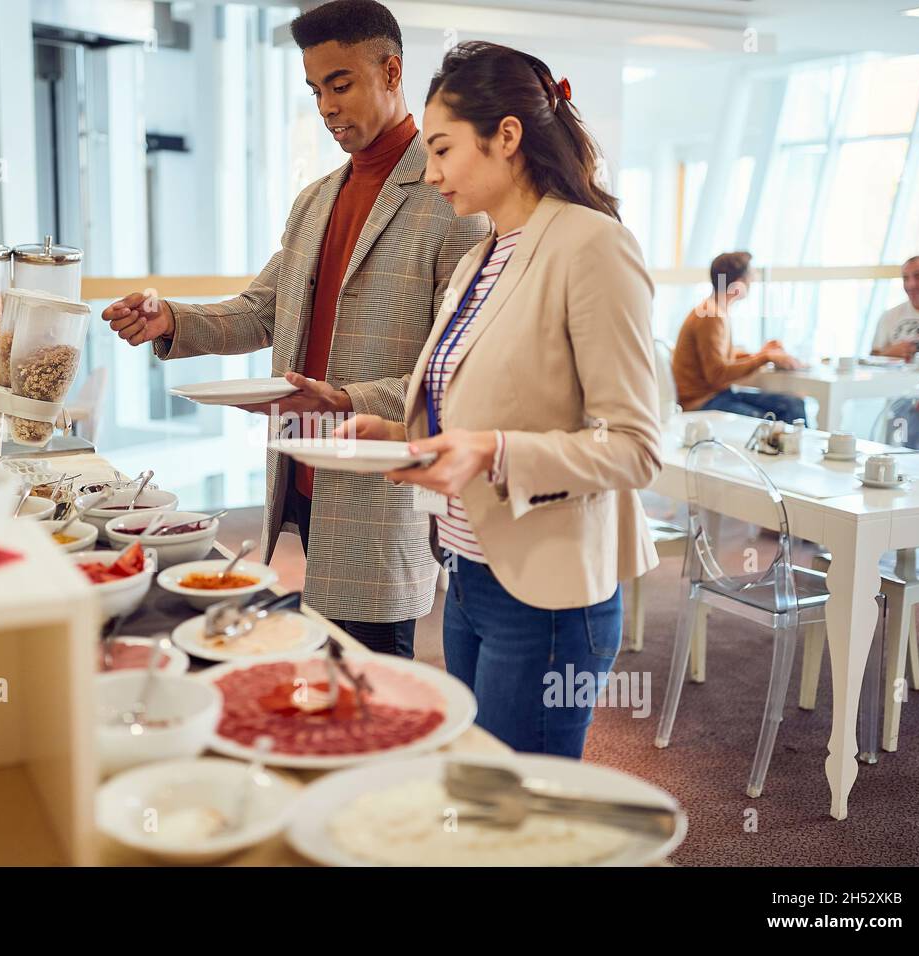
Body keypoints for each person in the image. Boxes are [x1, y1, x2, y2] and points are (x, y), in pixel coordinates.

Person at [101, 0, 489, 657]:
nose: (327, 107)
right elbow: (262, 308)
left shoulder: (453, 201)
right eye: (315, 91)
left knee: (370, 668)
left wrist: (347, 400)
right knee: (320, 653)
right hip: (304, 470)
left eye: (340, 84)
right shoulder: (314, 199)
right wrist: (173, 319)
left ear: (390, 72)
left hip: (379, 482)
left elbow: (460, 372)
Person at [337, 41, 660, 757]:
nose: (430, 172)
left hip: (545, 596)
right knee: (480, 782)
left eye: (445, 149)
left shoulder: (591, 246)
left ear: (507, 136)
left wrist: (493, 451)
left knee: (524, 804)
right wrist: (395, 433)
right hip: (469, 573)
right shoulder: (484, 254)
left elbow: (636, 449)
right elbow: (483, 410)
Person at [671, 251, 806, 422]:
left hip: (718, 395)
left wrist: (760, 354)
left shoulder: (715, 310)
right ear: (738, 284)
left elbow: (721, 359)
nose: (753, 281)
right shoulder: (710, 316)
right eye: (750, 276)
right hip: (703, 401)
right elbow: (717, 374)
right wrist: (764, 357)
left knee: (793, 404)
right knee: (769, 420)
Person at [871, 256, 919, 363]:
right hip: (900, 379)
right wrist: (889, 353)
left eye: (918, 276)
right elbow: (872, 358)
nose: (910, 284)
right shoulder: (890, 315)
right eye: (905, 278)